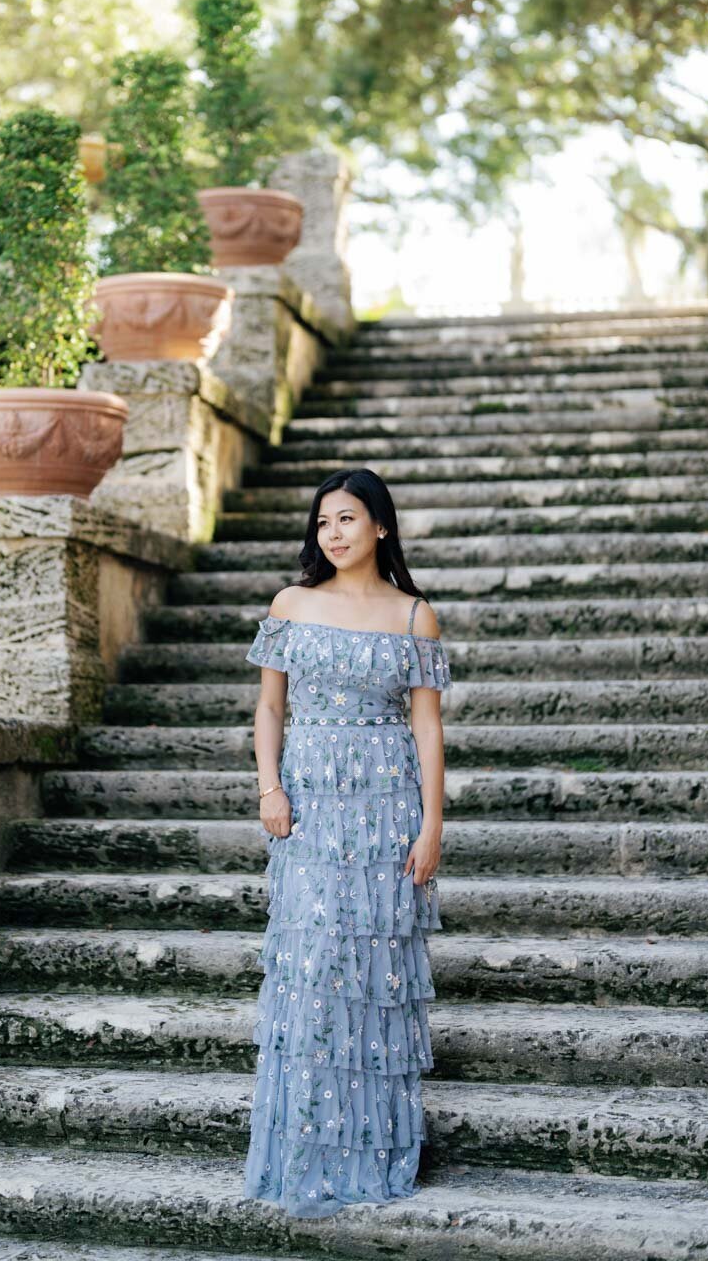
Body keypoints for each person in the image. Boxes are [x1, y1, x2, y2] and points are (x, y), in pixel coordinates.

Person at [242, 466, 451, 1218]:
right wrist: (270, 787)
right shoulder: (291, 604)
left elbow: (427, 725)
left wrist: (431, 822)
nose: (332, 532)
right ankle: (305, 1141)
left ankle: (367, 1150)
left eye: (348, 519)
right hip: (311, 804)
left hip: (387, 804)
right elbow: (271, 708)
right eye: (323, 521)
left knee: (374, 971)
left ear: (380, 527)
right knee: (311, 963)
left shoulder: (412, 616)